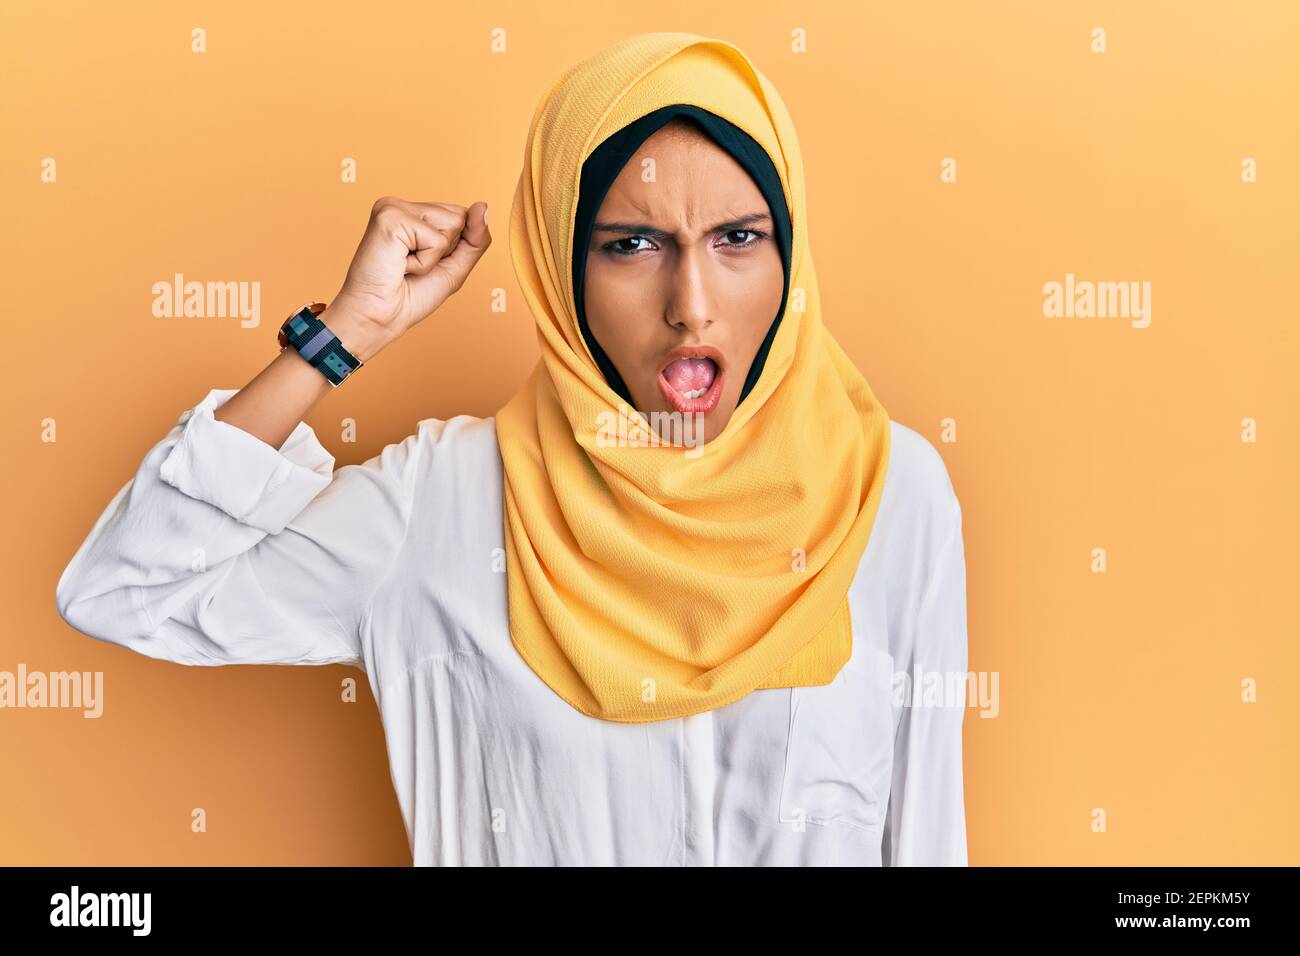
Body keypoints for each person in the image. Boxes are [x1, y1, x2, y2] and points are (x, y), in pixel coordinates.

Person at [55, 31, 969, 866]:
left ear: (791, 252)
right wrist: (344, 335)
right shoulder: (443, 504)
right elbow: (125, 589)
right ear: (560, 267)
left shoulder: (888, 493)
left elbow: (926, 839)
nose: (692, 302)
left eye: (738, 237)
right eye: (632, 243)